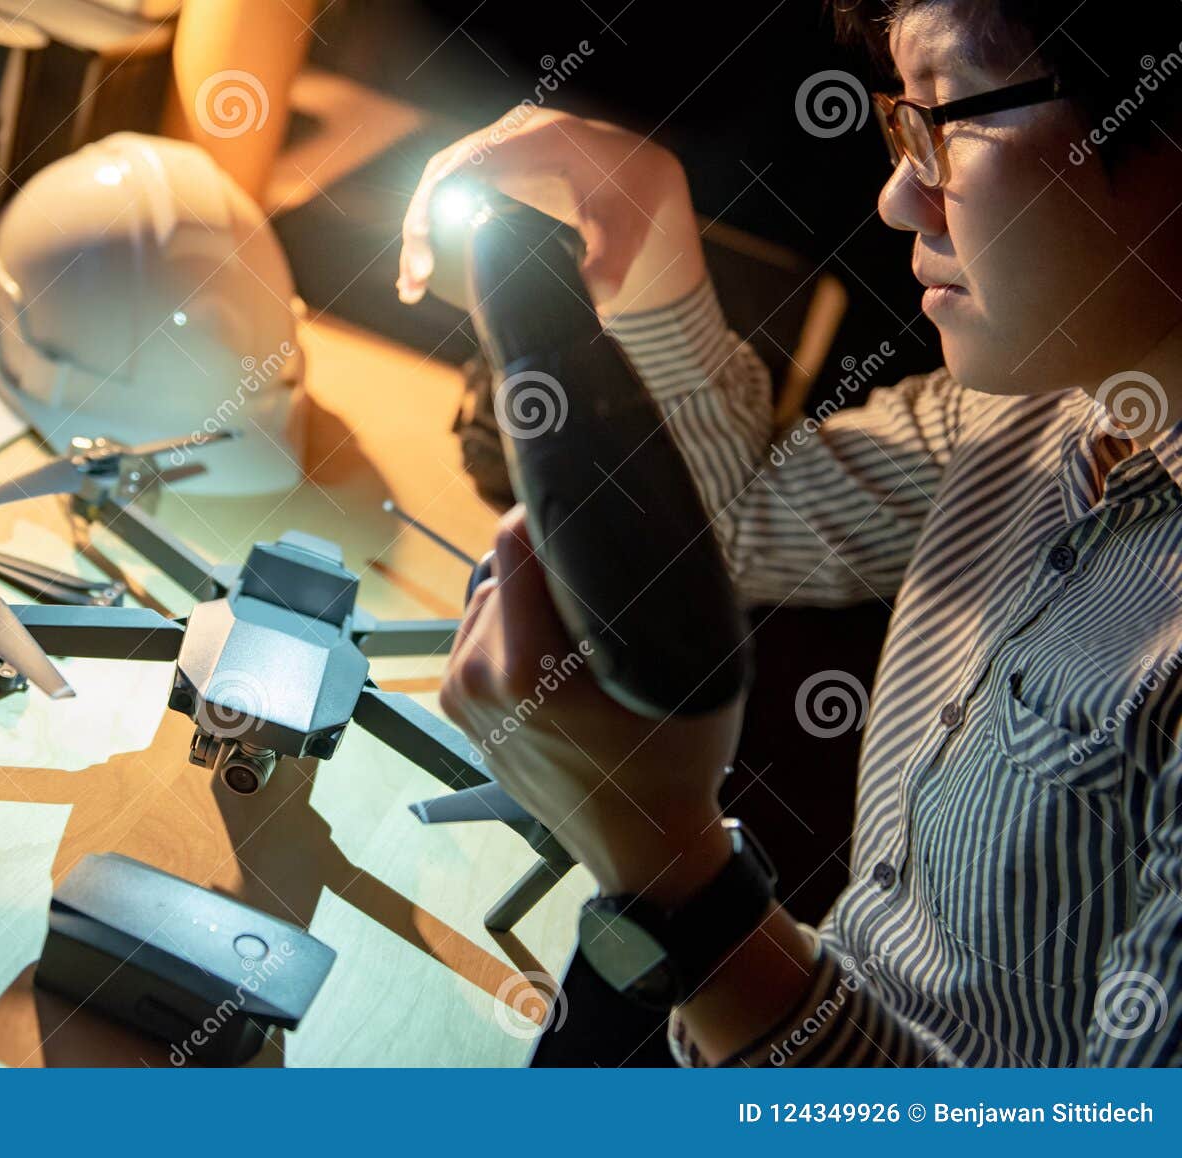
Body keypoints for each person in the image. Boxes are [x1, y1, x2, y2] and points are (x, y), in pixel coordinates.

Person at [399, 0, 1182, 1066]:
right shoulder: (1045, 408)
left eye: (948, 118)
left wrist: (669, 871)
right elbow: (745, 526)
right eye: (899, 125)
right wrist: (651, 240)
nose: (900, 194)